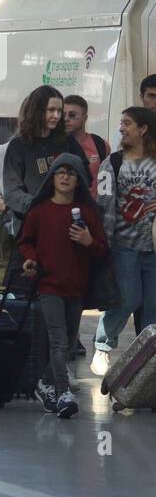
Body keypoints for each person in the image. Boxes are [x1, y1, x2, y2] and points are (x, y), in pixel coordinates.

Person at [18, 154, 107, 419]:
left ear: (78, 179)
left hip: (77, 288)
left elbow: (102, 249)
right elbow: (25, 241)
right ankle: (63, 391)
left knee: (67, 343)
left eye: (71, 173)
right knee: (58, 341)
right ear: (52, 178)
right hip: (48, 286)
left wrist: (88, 240)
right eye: (60, 172)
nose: (65, 177)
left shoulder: (88, 214)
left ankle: (45, 383)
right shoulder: (40, 211)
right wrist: (30, 259)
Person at [92, 107, 156, 376]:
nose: (121, 128)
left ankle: (147, 362)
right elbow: (105, 207)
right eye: (121, 123)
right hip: (124, 247)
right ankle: (103, 347)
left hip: (153, 248)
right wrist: (103, 247)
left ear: (143, 129)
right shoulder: (113, 163)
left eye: (127, 123)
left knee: (152, 308)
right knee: (128, 299)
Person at [3, 85, 87, 226]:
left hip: (66, 221)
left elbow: (85, 175)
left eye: (59, 111)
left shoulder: (67, 142)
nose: (57, 116)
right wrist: (40, 207)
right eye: (51, 110)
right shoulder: (18, 146)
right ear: (38, 110)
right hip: (31, 225)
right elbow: (12, 192)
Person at [63, 95, 109, 192]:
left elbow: (107, 180)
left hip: (95, 205)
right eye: (63, 115)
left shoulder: (100, 144)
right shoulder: (55, 145)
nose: (66, 119)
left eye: (72, 115)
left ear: (85, 118)